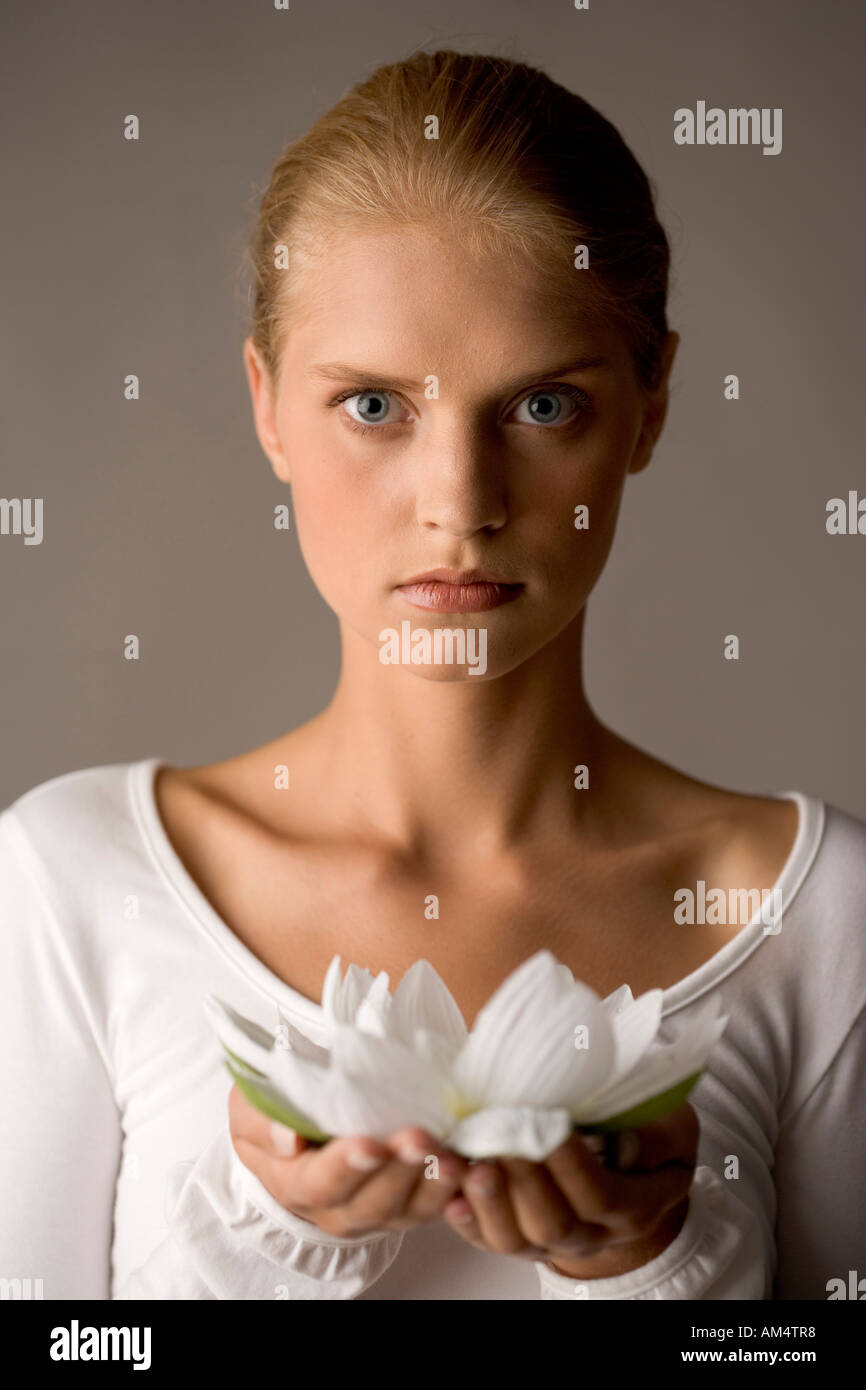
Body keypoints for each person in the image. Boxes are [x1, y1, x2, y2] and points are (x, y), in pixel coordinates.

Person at [1, 48, 864, 1302]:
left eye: (543, 407)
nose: (459, 504)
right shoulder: (71, 882)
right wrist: (265, 1240)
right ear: (267, 407)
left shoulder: (819, 915)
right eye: (371, 407)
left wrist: (649, 1269)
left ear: (650, 403)